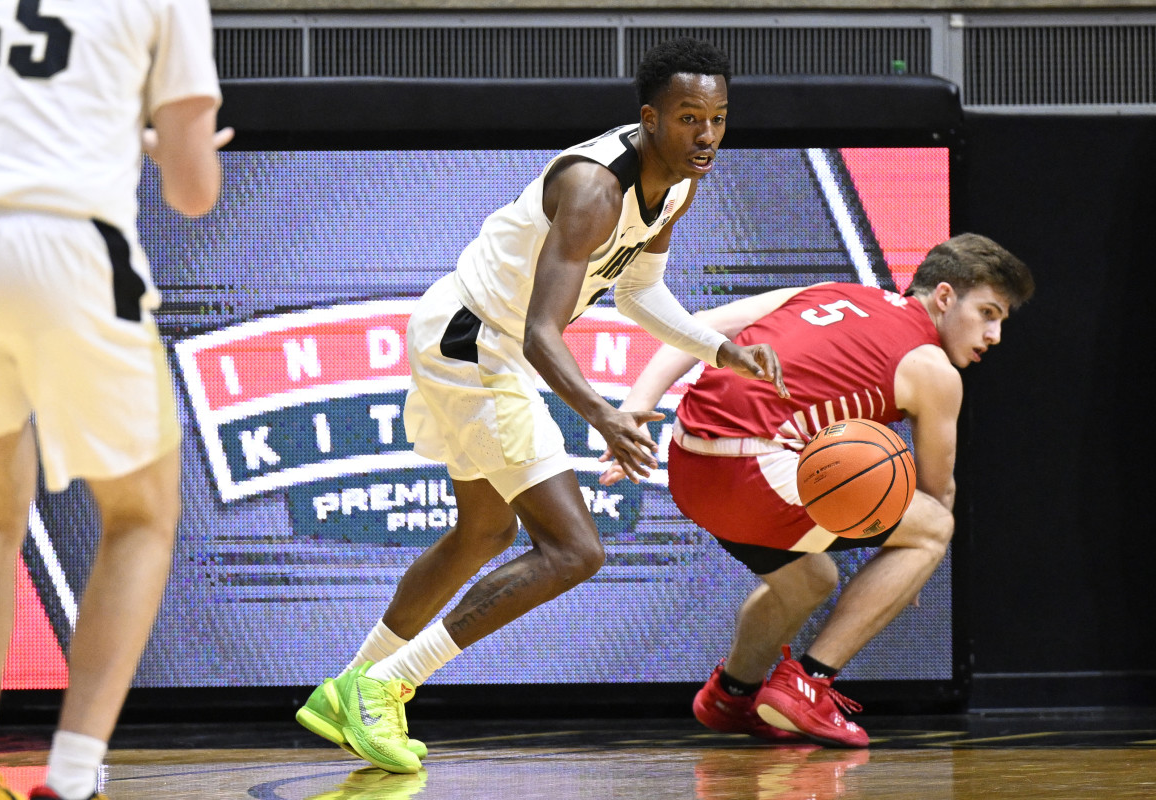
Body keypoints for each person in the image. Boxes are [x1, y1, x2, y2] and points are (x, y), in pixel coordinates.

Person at [294, 37, 787, 774]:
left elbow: (637, 291)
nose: (707, 135)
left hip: (473, 338)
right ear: (650, 118)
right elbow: (539, 333)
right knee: (574, 550)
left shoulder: (680, 182)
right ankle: (385, 685)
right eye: (689, 118)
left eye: (718, 117)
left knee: (483, 533)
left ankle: (347, 690)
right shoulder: (594, 188)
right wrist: (605, 415)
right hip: (478, 341)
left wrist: (721, 350)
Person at [601, 233, 1035, 747]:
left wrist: (633, 409)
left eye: (1002, 319)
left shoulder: (834, 291)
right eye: (988, 312)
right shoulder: (932, 369)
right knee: (934, 528)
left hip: (689, 463)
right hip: (752, 472)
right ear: (944, 297)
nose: (995, 333)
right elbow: (937, 494)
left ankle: (731, 695)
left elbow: (701, 328)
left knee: (810, 579)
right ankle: (809, 684)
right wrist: (915, 565)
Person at [0, 2, 232, 799]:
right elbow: (192, 191)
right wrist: (171, 147)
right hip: (70, 249)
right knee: (142, 514)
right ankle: (73, 775)